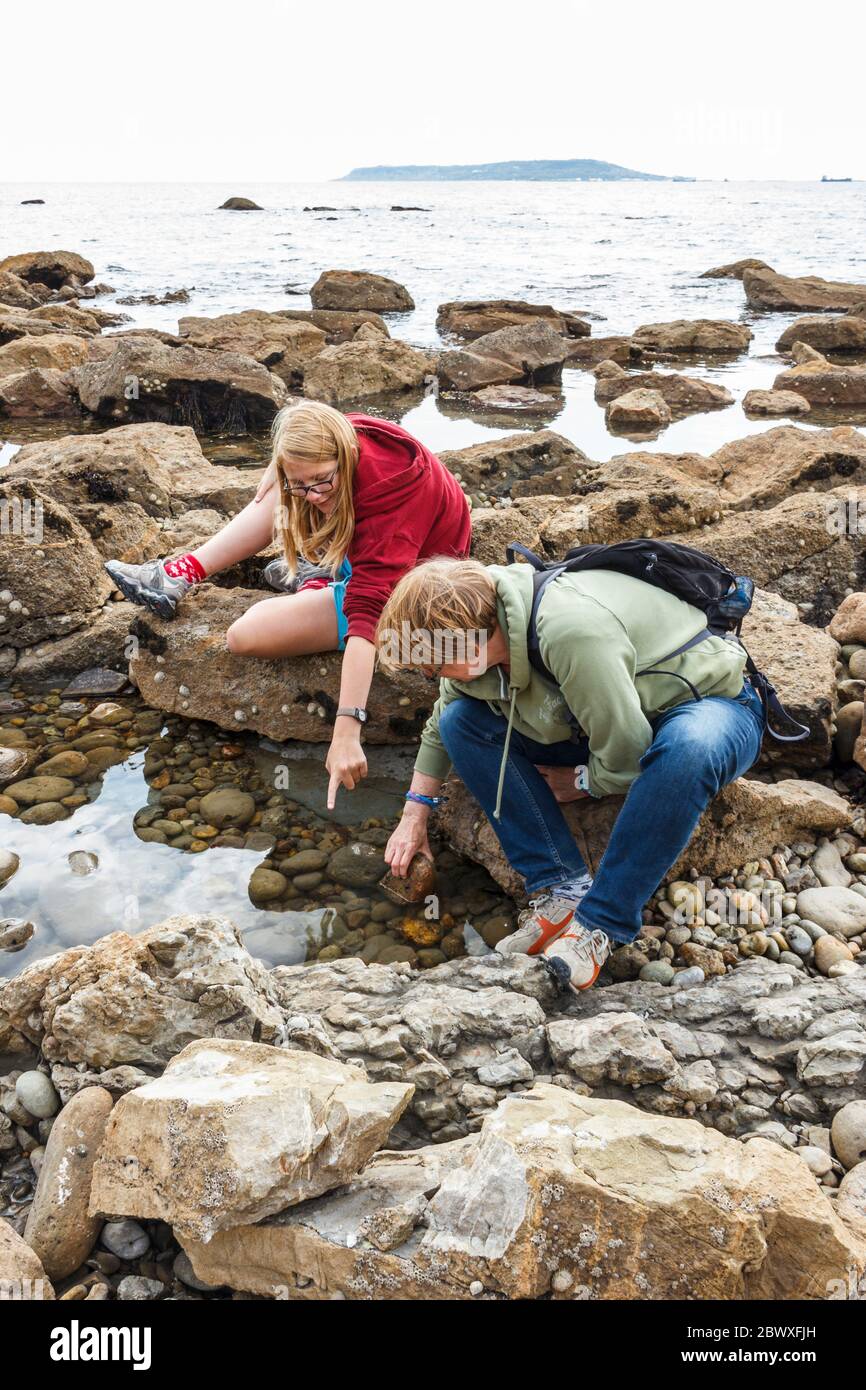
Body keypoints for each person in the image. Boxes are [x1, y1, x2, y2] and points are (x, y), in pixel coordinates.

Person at [378, 554, 766, 993]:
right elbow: (443, 720)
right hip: (603, 712)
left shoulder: (570, 631)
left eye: (433, 664)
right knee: (461, 722)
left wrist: (584, 781)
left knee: (688, 752)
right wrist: (415, 813)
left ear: (470, 640)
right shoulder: (478, 636)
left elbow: (627, 751)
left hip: (709, 705)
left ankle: (600, 923)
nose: (428, 673)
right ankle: (561, 890)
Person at [106, 403, 471, 809]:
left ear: (346, 454)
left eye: (321, 482)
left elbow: (366, 617)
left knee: (246, 634)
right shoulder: (340, 435)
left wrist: (347, 730)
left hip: (414, 594)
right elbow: (304, 448)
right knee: (275, 494)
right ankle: (180, 574)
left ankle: (317, 578)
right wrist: (279, 476)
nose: (312, 495)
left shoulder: (391, 498)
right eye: (301, 483)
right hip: (376, 553)